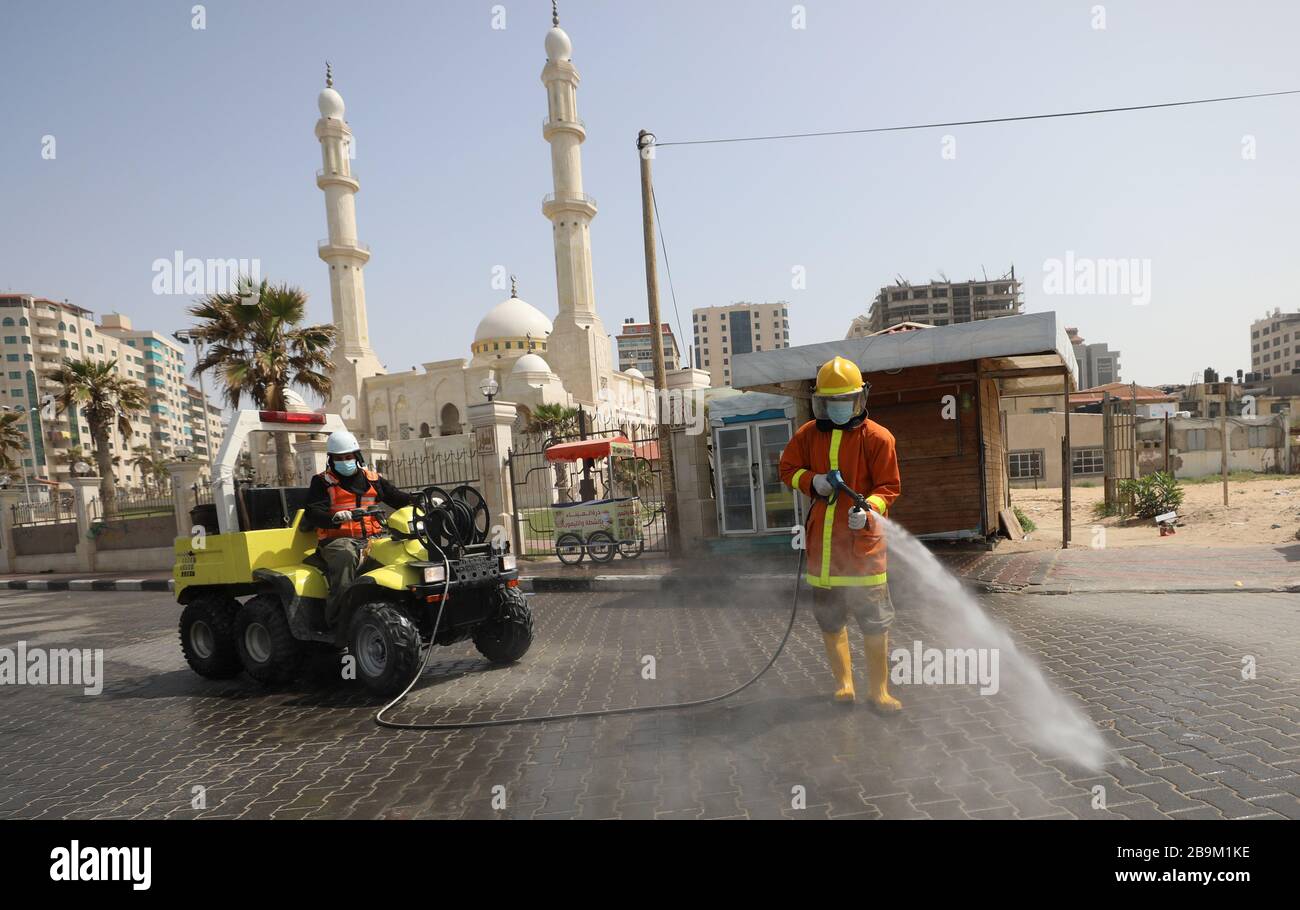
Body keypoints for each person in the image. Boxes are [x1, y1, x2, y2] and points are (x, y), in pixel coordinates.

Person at [779, 356, 902, 711]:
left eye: (843, 400)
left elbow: (889, 487)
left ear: (859, 398)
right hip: (823, 553)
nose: (837, 408)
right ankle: (844, 685)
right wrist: (812, 480)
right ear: (820, 402)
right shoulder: (807, 435)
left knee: (875, 624)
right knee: (830, 622)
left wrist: (869, 511)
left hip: (864, 553)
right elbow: (787, 468)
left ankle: (879, 691)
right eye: (830, 401)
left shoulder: (879, 438)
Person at [303, 430, 412, 632]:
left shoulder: (372, 479)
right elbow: (312, 512)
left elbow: (397, 498)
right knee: (345, 557)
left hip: (375, 538)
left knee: (405, 551)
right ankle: (339, 621)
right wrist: (335, 517)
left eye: (348, 457)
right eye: (339, 458)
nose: (345, 461)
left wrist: (421, 500)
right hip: (338, 541)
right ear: (331, 460)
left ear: (357, 456)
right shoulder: (322, 482)